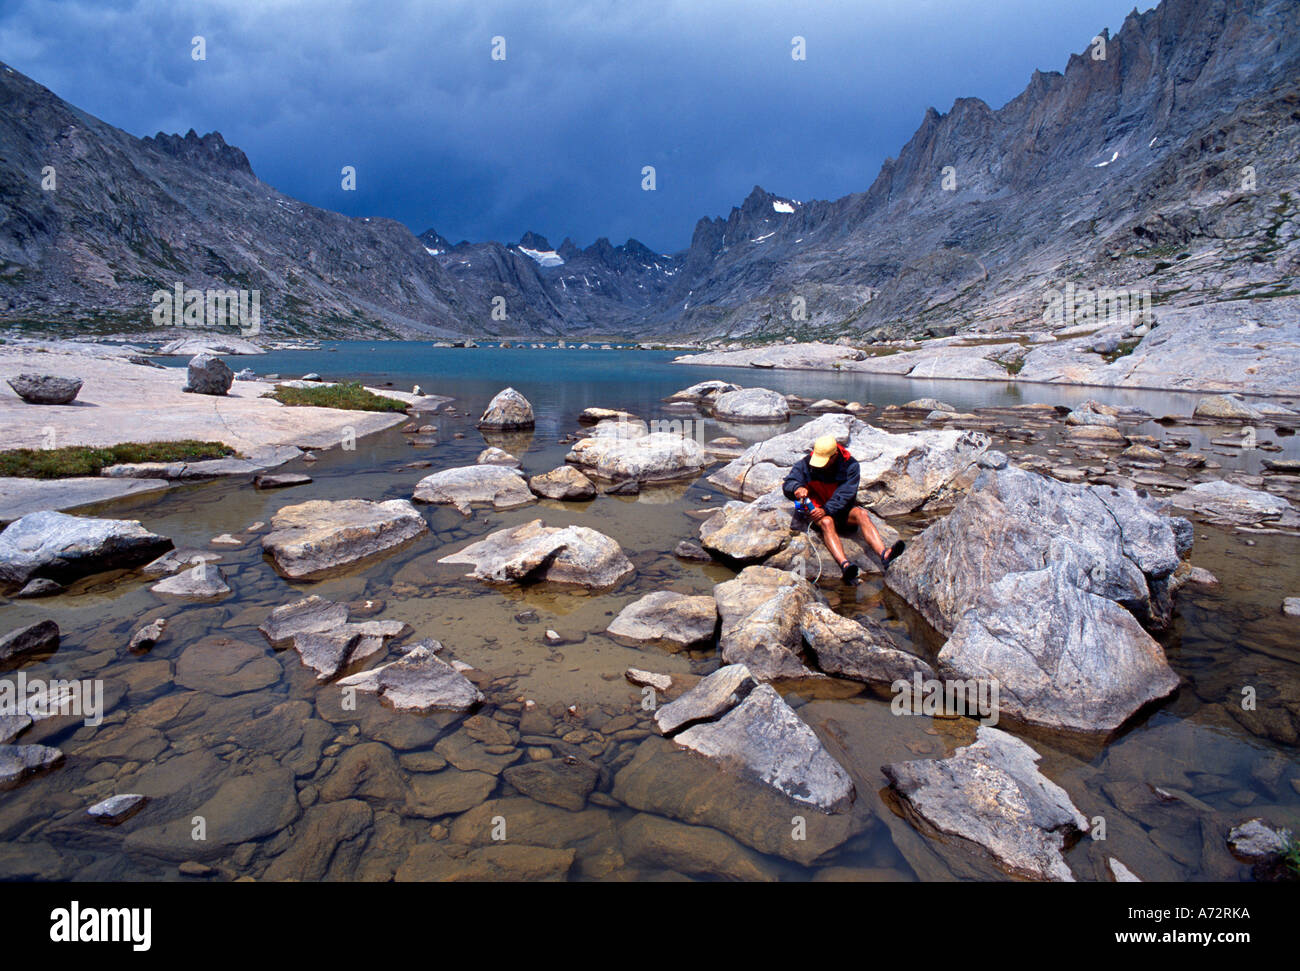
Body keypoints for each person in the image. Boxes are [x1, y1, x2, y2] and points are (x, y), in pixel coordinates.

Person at [782, 434, 906, 583]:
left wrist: (827, 509)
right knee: (827, 522)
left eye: (824, 461)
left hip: (839, 510)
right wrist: (796, 488)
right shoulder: (806, 463)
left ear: (834, 456)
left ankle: (884, 554)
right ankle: (845, 565)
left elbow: (845, 495)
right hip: (815, 510)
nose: (819, 465)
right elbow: (789, 482)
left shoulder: (851, 466)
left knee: (861, 514)